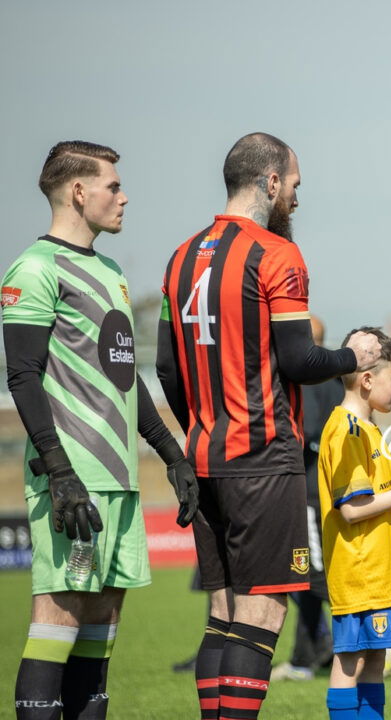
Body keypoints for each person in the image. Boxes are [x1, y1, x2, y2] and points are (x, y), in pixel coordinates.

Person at [157, 132, 381, 720]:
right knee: (262, 613)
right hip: (262, 459)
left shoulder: (180, 257)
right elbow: (300, 360)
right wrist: (354, 356)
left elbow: (167, 369)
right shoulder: (276, 253)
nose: (297, 199)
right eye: (295, 185)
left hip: (204, 457)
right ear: (271, 181)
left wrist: (200, 429)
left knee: (223, 615)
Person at [4, 141, 198, 718]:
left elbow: (124, 376)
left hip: (120, 480)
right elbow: (22, 376)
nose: (124, 196)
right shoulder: (35, 268)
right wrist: (58, 470)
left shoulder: (110, 271)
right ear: (77, 191)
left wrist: (172, 454)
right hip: (74, 480)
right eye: (113, 186)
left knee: (101, 629)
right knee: (58, 621)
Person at [319, 327, 391, 720]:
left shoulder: (368, 427)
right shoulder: (347, 430)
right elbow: (352, 510)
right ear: (367, 380)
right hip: (361, 572)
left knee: (374, 658)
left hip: (381, 572)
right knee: (350, 660)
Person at [273, 316, 344, 682]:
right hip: (329, 485)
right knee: (307, 575)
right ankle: (309, 655)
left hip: (311, 489)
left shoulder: (308, 376)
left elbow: (309, 429)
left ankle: (376, 633)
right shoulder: (334, 374)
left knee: (312, 575)